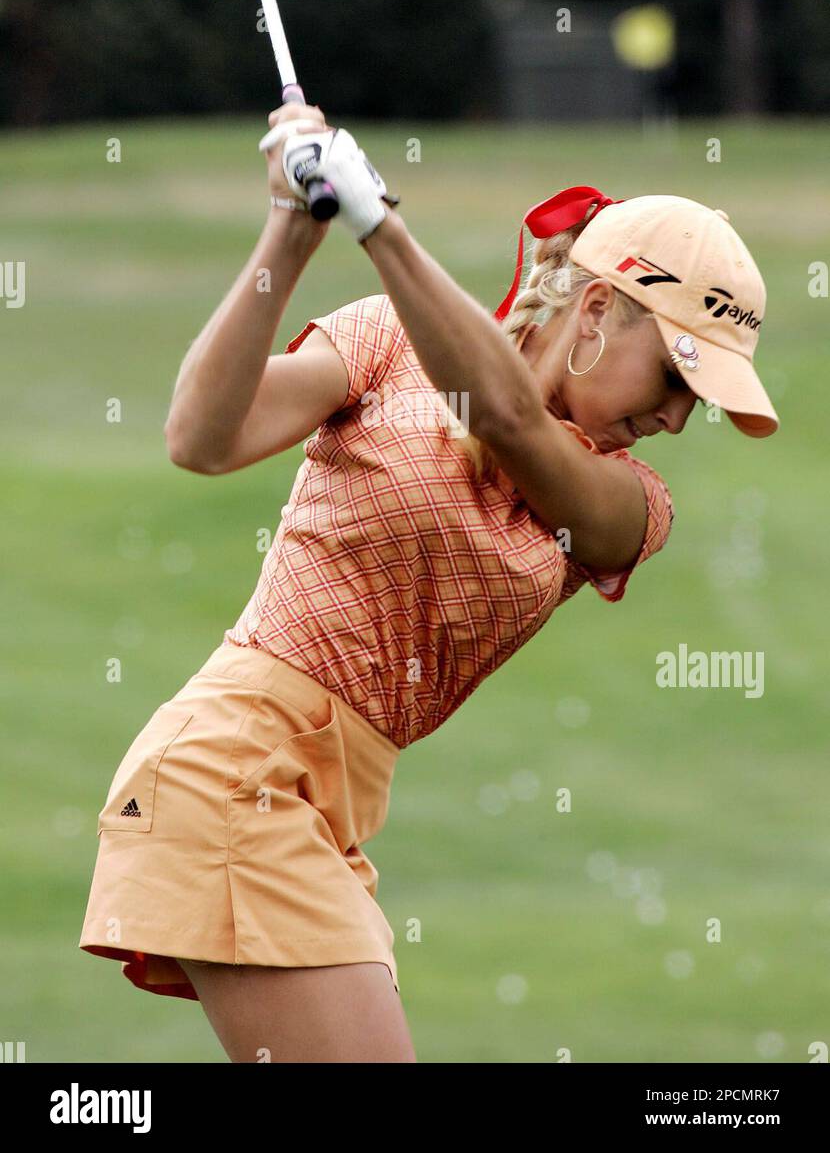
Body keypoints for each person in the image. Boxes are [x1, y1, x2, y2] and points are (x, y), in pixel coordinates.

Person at [78, 103, 779, 1063]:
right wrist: (293, 225)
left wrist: (381, 225)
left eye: (698, 401)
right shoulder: (382, 342)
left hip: (328, 811)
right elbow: (200, 439)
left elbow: (504, 418)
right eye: (674, 378)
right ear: (600, 306)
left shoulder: (629, 507)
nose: (675, 418)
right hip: (230, 769)